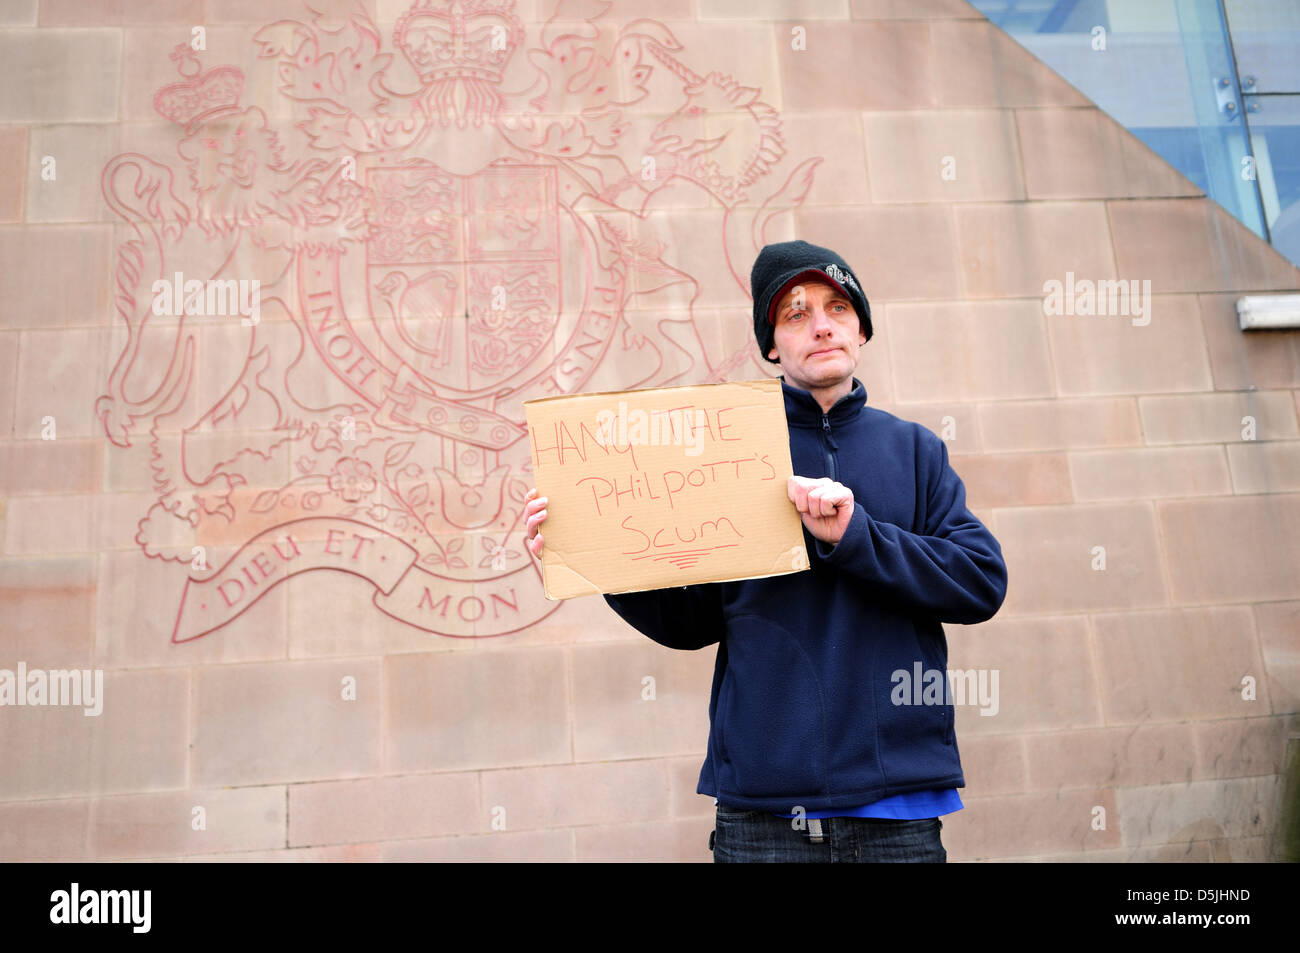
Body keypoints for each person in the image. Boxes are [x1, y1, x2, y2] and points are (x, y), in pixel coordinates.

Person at [522, 240, 1008, 862]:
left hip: (899, 805)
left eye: (837, 307)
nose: (822, 325)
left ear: (861, 328)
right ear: (772, 344)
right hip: (764, 813)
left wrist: (854, 537)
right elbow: (688, 623)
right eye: (796, 314)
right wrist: (599, 556)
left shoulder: (915, 450)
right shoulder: (721, 450)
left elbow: (979, 582)